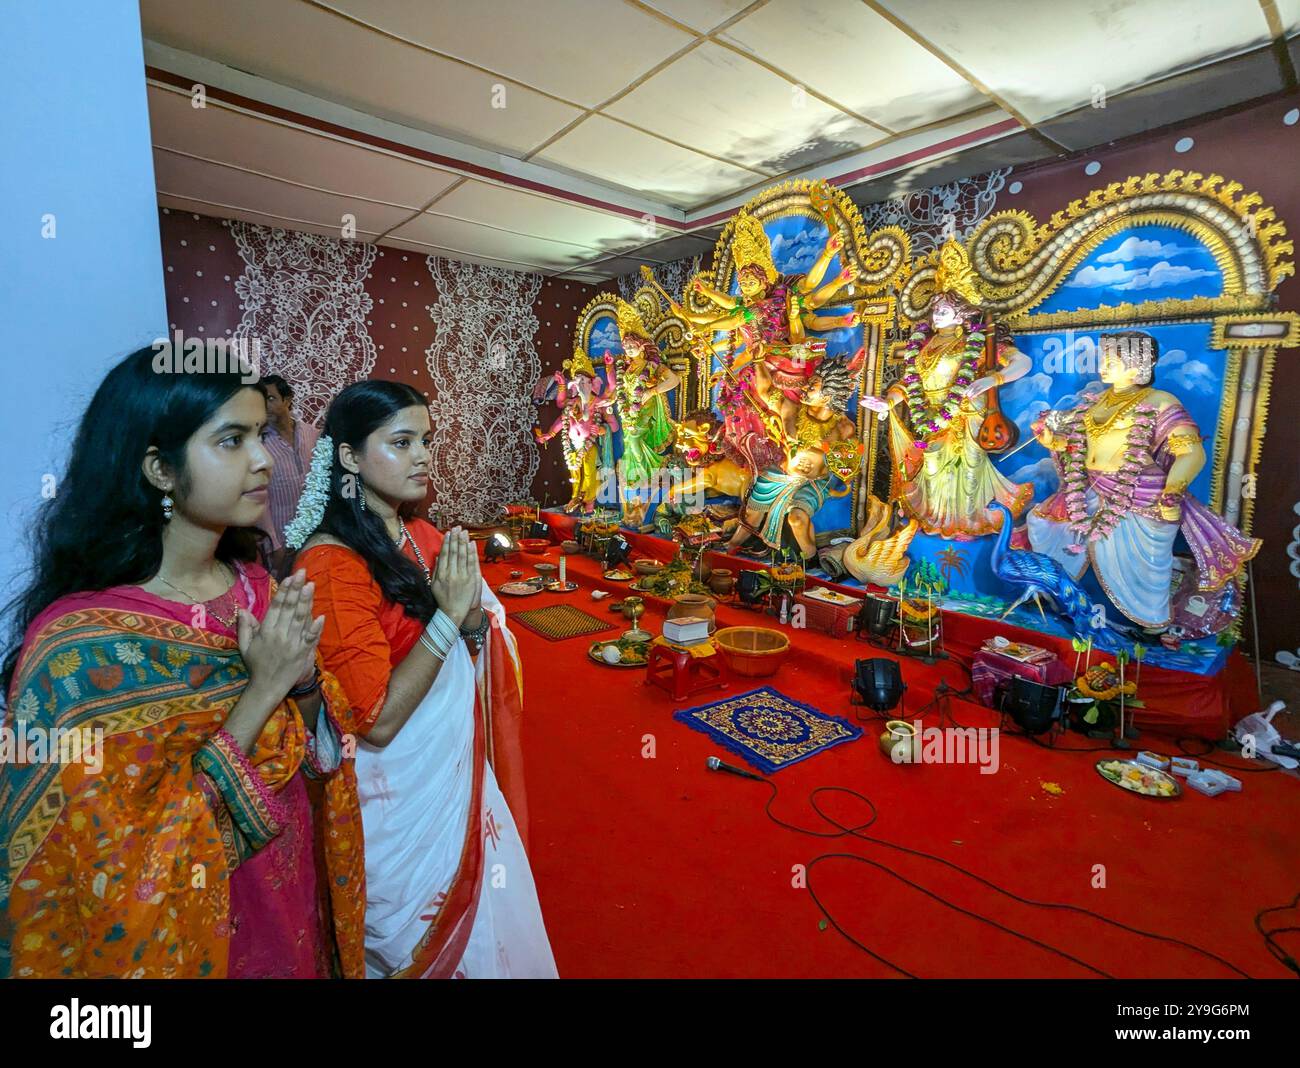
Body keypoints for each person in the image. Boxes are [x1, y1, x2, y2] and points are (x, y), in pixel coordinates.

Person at [0, 347, 366, 978]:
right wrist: (262, 691)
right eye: (231, 440)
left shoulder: (255, 585)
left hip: (285, 897)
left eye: (260, 434)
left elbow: (311, 753)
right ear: (160, 470)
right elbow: (116, 871)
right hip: (190, 944)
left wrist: (302, 680)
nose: (261, 459)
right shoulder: (76, 653)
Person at [292, 380, 556, 978]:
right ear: (350, 458)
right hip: (399, 808)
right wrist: (447, 616)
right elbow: (376, 722)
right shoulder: (332, 566)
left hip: (457, 784)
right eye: (402, 441)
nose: (422, 457)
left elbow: (472, 641)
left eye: (427, 441)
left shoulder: (424, 535)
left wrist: (469, 622)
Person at [259, 374, 320, 576]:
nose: (264, 405)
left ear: (287, 400)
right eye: (261, 400)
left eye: (270, 398)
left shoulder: (312, 434)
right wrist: (274, 545)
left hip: (315, 535)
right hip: (280, 542)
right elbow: (260, 498)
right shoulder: (259, 443)